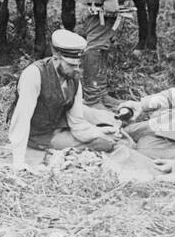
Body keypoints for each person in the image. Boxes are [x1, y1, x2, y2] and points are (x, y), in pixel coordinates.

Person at [8, 29, 119, 172]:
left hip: (60, 119)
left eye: (78, 65)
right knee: (103, 144)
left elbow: (77, 123)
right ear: (56, 58)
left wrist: (98, 131)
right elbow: (21, 121)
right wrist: (18, 162)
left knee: (106, 120)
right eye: (71, 65)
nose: (76, 70)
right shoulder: (34, 75)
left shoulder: (74, 78)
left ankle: (119, 126)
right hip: (40, 134)